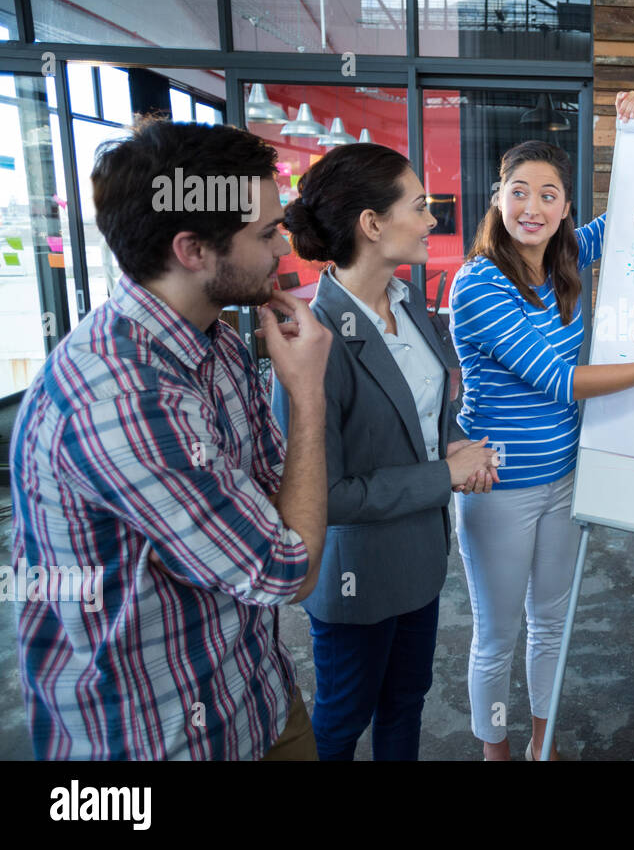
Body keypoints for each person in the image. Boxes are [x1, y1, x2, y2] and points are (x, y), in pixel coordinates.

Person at [8, 118, 333, 759]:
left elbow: (275, 510)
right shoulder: (121, 397)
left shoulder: (215, 342)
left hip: (256, 697)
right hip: (154, 737)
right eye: (266, 233)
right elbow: (287, 570)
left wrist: (255, 535)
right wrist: (309, 398)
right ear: (193, 251)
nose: (282, 248)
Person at [449, 91, 634, 760]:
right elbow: (562, 381)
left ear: (564, 209)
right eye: (519, 192)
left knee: (551, 624)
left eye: (549, 195)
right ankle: (496, 753)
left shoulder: (562, 260)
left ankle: (541, 746)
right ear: (498, 199)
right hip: (498, 488)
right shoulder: (478, 283)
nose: (533, 207)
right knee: (496, 636)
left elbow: (633, 217)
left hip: (561, 479)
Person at [272, 144, 499, 760]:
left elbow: (419, 414)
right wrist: (442, 476)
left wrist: (449, 443)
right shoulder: (313, 341)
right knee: (342, 721)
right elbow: (326, 495)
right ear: (372, 225)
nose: (432, 221)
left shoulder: (410, 303)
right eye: (420, 207)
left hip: (420, 562)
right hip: (357, 580)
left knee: (407, 704)